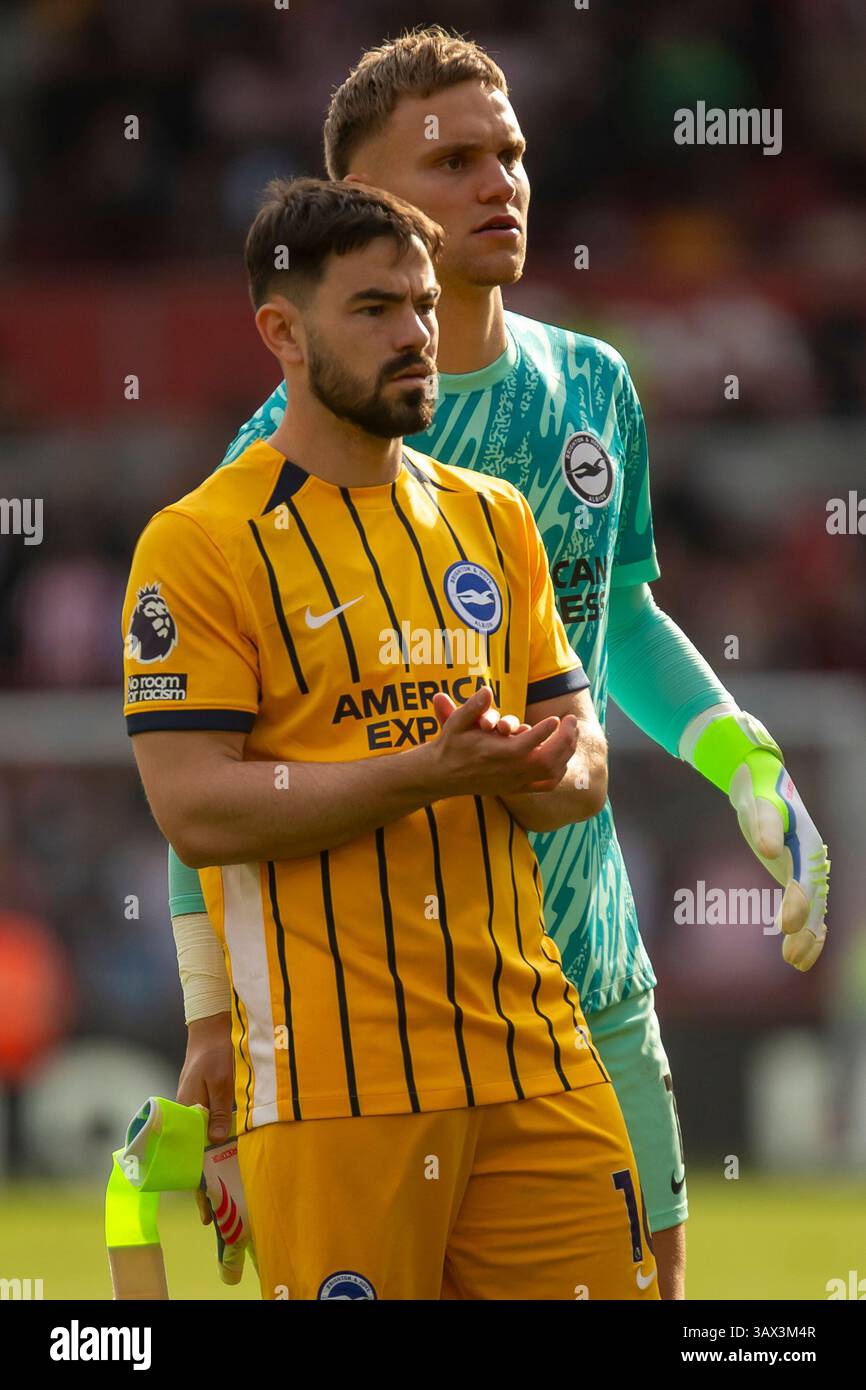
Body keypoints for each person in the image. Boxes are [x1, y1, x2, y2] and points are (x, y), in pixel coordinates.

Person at [167, 28, 830, 1300]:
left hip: (588, 973)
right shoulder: (278, 461)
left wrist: (740, 757)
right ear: (365, 204)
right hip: (379, 1021)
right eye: (455, 159)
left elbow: (616, 614)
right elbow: (208, 767)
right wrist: (214, 1023)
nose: (501, 183)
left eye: (511, 153)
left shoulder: (590, 383)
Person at [123, 177, 658, 1301]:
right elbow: (196, 807)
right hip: (334, 1084)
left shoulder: (491, 516)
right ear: (282, 331)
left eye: (420, 305)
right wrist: (431, 768)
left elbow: (583, 763)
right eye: (374, 309)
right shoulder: (199, 543)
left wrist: (535, 764)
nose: (416, 334)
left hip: (536, 1055)